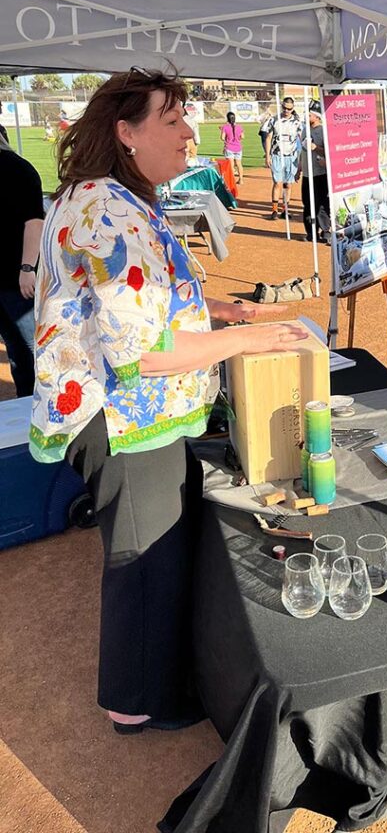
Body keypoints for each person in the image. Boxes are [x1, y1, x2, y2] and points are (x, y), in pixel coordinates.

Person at [29, 67, 306, 733]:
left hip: (140, 415)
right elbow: (141, 352)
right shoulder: (103, 207)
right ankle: (135, 703)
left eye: (188, 118)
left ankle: (153, 678)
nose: (191, 133)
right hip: (121, 418)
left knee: (161, 550)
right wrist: (255, 337)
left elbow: (139, 299)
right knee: (142, 562)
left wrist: (215, 307)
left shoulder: (114, 197)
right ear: (126, 132)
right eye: (173, 120)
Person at [0, 130, 44, 397]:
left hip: (18, 278)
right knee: (16, 351)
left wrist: (28, 268)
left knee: (35, 348)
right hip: (5, 280)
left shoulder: (18, 169)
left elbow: (34, 222)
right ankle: (26, 401)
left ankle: (49, 407)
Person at [265, 97, 301, 220]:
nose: (287, 111)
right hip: (277, 155)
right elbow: (268, 138)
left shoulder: (297, 122)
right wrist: (268, 155)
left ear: (293, 109)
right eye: (285, 108)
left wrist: (301, 160)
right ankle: (274, 210)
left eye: (289, 109)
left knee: (288, 185)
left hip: (291, 156)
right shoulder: (274, 120)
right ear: (281, 106)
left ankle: (285, 210)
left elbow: (302, 139)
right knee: (277, 183)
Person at [300, 102, 329, 242]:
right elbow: (302, 150)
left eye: (309, 114)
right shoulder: (305, 130)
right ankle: (311, 232)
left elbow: (329, 153)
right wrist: (299, 167)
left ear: (317, 117)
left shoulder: (323, 131)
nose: (307, 116)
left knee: (321, 203)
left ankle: (326, 230)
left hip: (319, 174)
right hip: (307, 173)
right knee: (307, 203)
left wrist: (315, 147)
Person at [219, 110, 244, 184]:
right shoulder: (239, 127)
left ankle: (232, 180)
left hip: (229, 148)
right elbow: (242, 136)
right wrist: (237, 139)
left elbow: (222, 138)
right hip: (238, 147)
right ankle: (241, 179)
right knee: (239, 164)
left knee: (231, 165)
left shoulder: (225, 127)